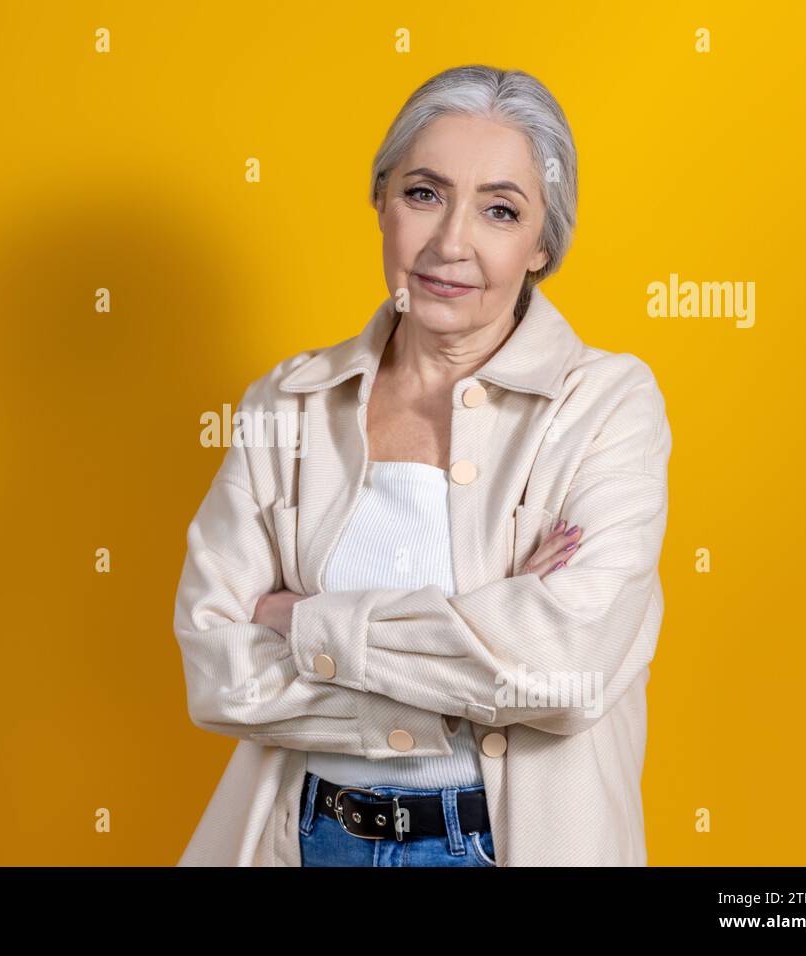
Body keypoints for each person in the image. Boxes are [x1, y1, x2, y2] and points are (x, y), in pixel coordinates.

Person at [173, 64, 671, 866]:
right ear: (380, 200)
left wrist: (299, 620)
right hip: (307, 841)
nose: (450, 244)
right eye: (424, 194)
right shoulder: (288, 402)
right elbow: (217, 668)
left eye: (500, 210)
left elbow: (561, 670)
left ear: (544, 242)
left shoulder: (607, 406)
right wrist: (480, 633)